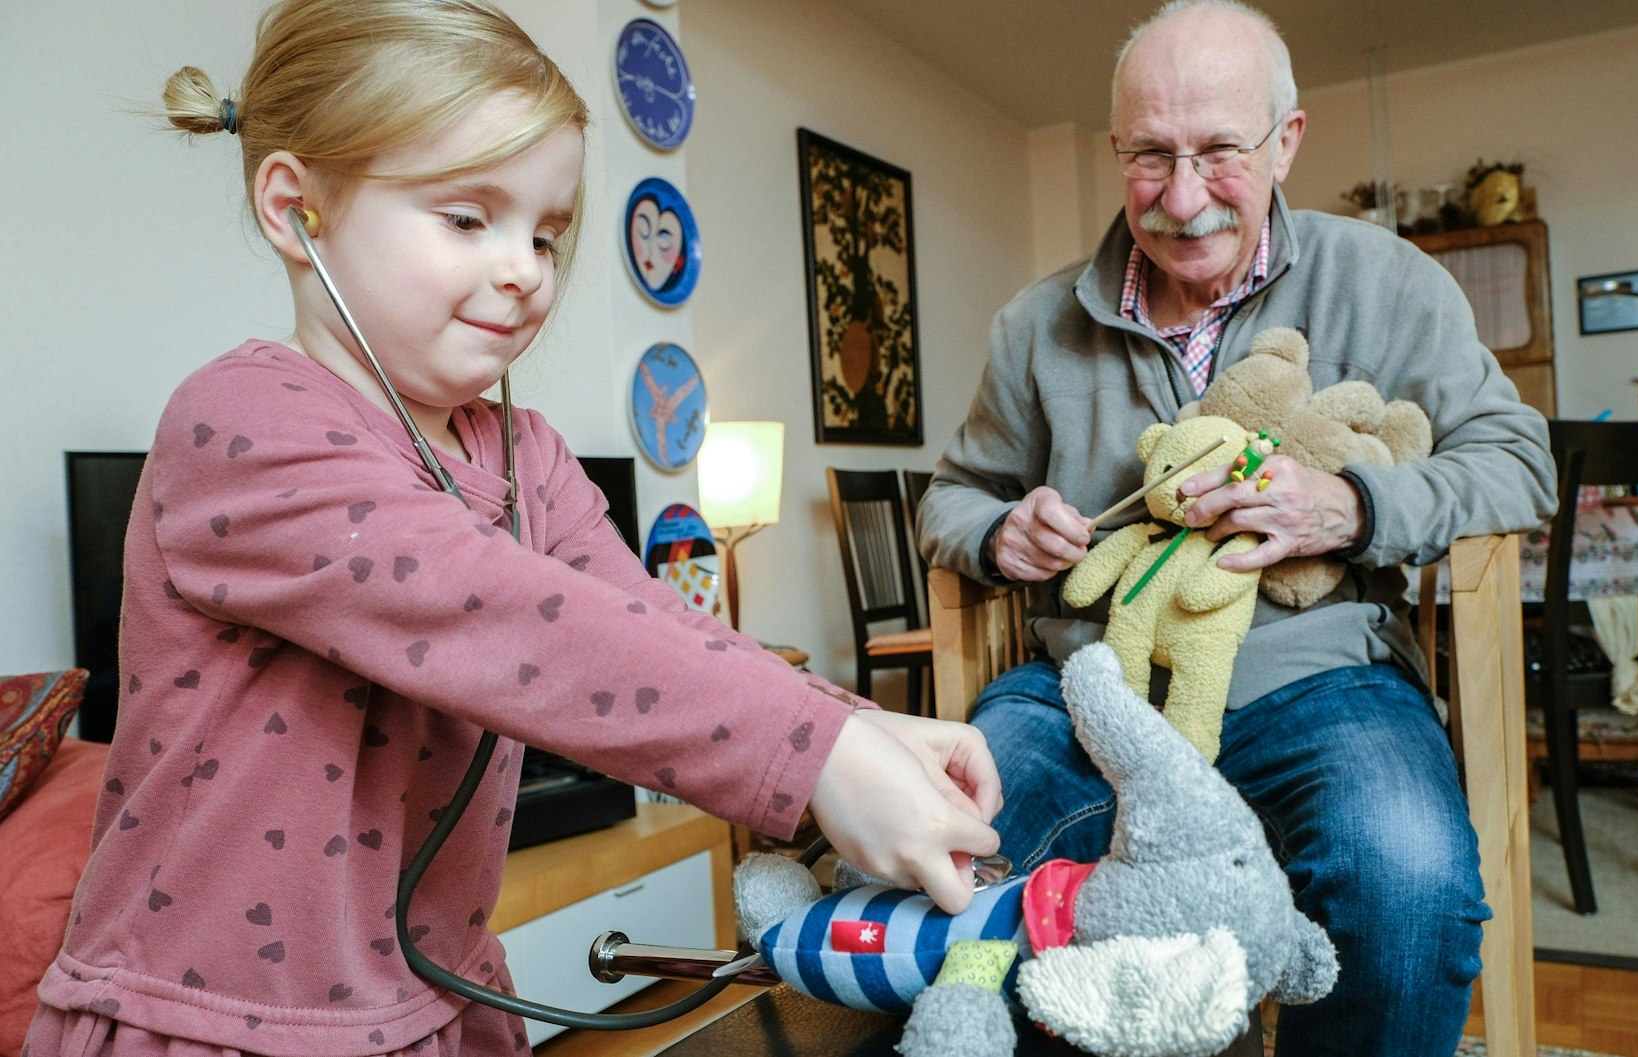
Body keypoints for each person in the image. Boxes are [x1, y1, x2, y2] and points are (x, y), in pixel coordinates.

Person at [28, 2, 998, 1054]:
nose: (526, 269)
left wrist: (862, 726)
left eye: (544, 234)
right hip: (213, 1019)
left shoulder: (526, 452)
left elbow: (647, 628)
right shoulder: (242, 422)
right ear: (296, 210)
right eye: (466, 219)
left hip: (430, 996)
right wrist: (819, 758)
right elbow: (514, 621)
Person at [917, 2, 1554, 1055]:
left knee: (1406, 883)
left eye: (1219, 151)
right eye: (1149, 156)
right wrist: (999, 533)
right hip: (1089, 684)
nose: (1181, 198)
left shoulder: (1387, 281)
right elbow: (951, 498)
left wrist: (1352, 507)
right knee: (951, 865)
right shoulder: (1035, 325)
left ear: (1285, 142)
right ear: (1115, 148)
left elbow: (1517, 463)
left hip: (1321, 679)